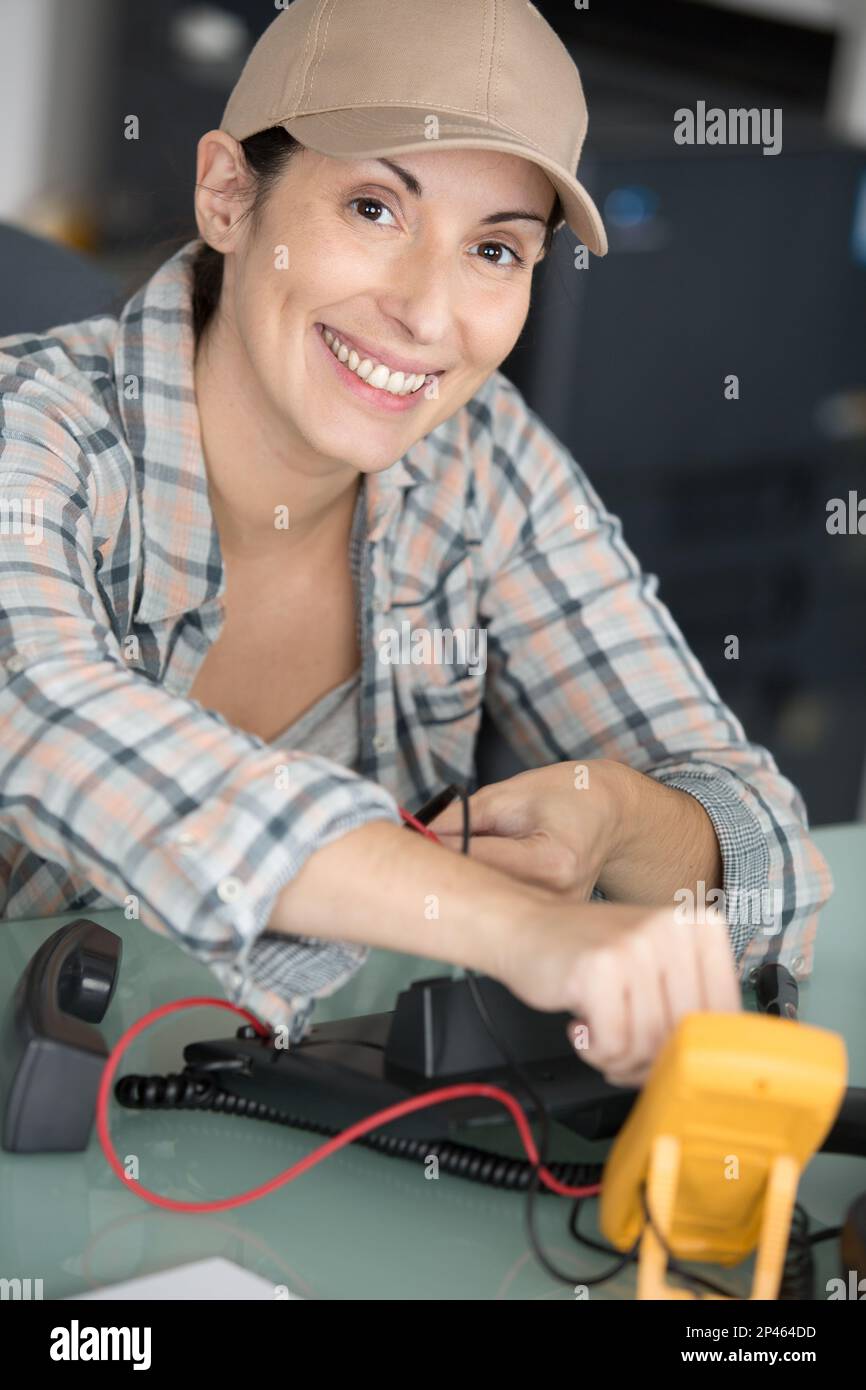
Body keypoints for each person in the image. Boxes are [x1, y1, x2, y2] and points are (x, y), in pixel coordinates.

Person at [0, 0, 831, 1089]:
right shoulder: (33, 433)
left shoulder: (478, 461)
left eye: (494, 248)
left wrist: (616, 817)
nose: (428, 313)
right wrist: (506, 925)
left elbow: (776, 866)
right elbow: (50, 713)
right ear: (227, 195)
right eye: (374, 207)